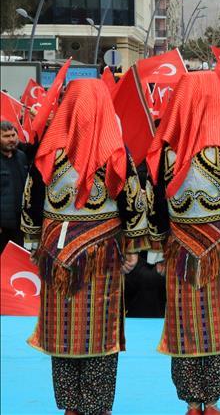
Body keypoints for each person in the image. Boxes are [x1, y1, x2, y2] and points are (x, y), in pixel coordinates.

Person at [19, 80, 149, 415]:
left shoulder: (49, 148)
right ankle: (97, 405)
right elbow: (132, 199)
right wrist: (133, 245)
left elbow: (31, 197)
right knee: (99, 329)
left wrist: (33, 241)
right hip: (102, 252)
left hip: (56, 252)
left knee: (63, 327)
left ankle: (71, 406)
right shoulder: (114, 150)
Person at [147, 72, 220, 415]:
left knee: (184, 323)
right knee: (219, 320)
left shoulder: (165, 149)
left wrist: (156, 249)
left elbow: (154, 202)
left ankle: (191, 400)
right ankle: (212, 401)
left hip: (179, 247)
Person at [0, 120, 28, 251]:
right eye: (6, 136)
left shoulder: (21, 156)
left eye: (13, 135)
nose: (11, 139)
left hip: (20, 224)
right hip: (3, 226)